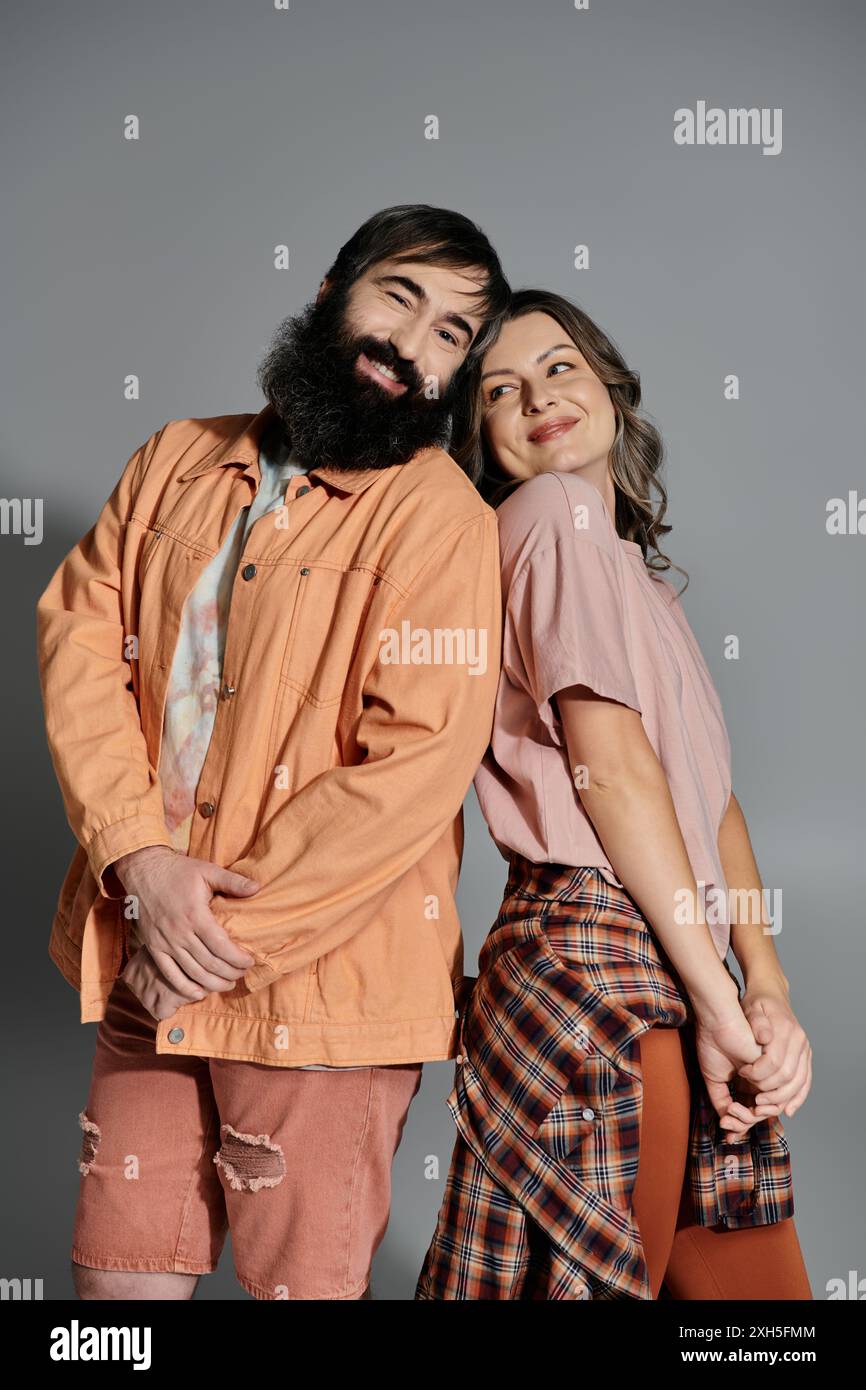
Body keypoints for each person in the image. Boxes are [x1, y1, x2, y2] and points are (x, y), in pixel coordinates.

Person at [36, 204, 510, 1301]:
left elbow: (410, 771)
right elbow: (79, 651)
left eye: (451, 332)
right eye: (398, 296)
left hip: (321, 994)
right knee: (115, 1292)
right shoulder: (175, 460)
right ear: (328, 296)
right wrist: (141, 869)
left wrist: (202, 936)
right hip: (149, 955)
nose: (414, 342)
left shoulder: (441, 519)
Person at [416, 288, 813, 1300]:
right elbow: (611, 764)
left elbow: (709, 803)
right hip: (588, 959)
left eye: (558, 367)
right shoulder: (545, 517)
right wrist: (725, 997)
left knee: (743, 1300)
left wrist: (759, 985)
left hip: (675, 957)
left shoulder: (641, 581)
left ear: (607, 385)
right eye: (498, 390)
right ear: (483, 438)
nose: (536, 396)